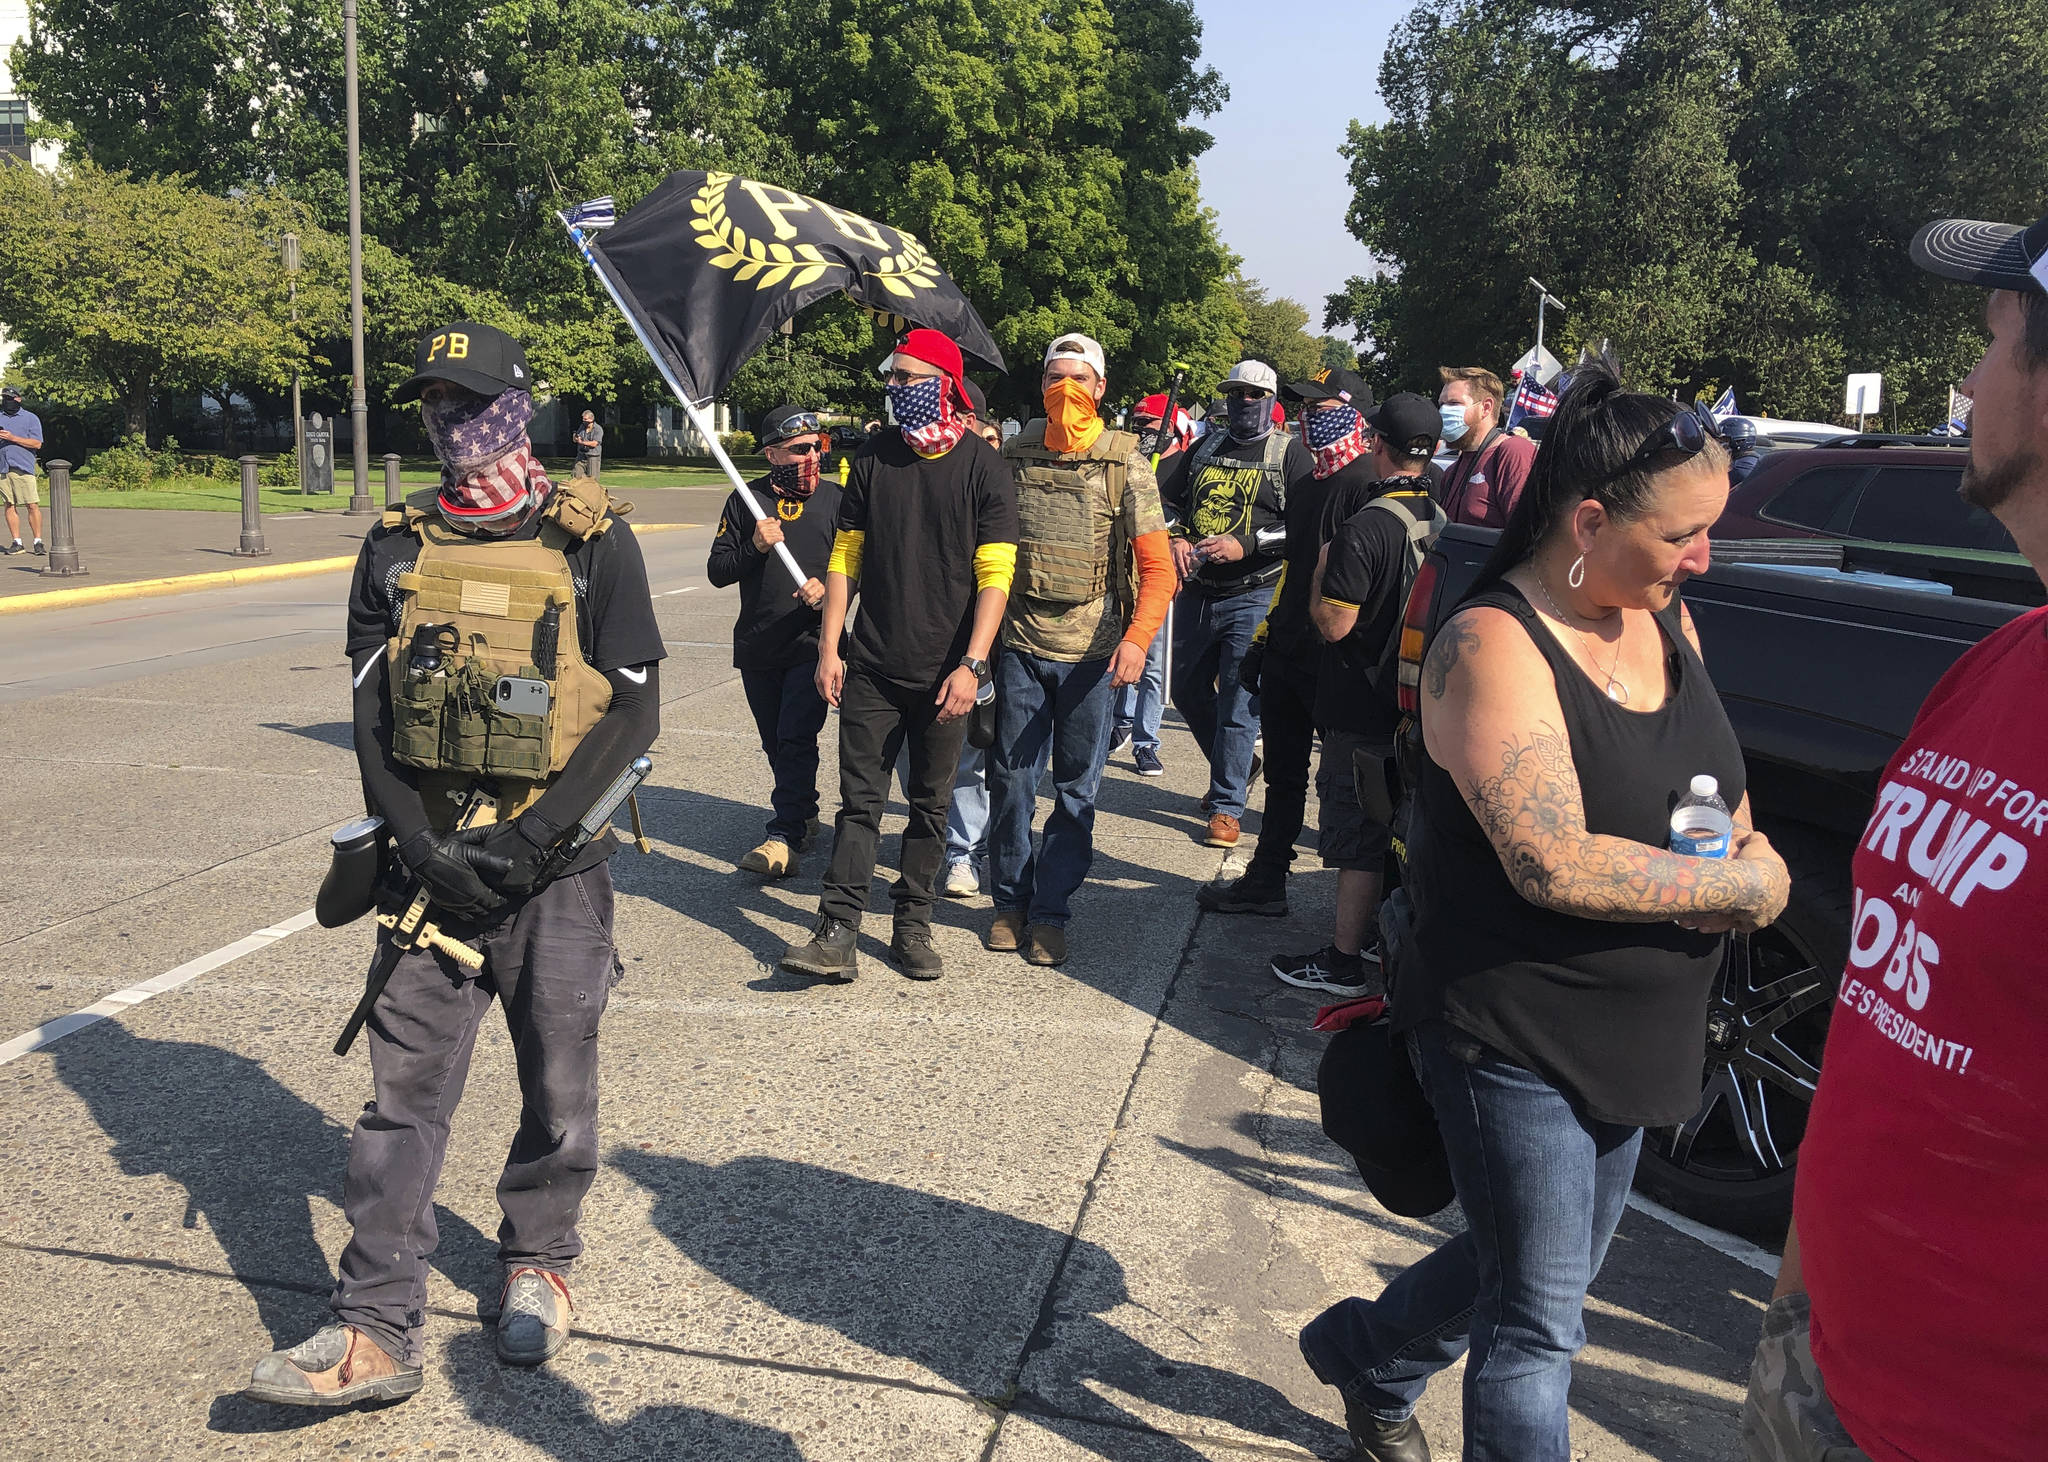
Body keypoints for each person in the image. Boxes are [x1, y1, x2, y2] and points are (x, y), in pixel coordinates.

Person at [1299, 362, 1791, 1462]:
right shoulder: (1492, 642)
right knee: (1538, 1322)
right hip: (1510, 1026)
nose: (1700, 557)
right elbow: (1548, 861)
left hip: (1644, 1022)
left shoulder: (1663, 617)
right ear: (1586, 519)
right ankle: (1378, 1363)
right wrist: (1740, 888)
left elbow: (1705, 785)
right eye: (1680, 536)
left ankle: (1369, 1347)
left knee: (1531, 1261)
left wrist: (1733, 849)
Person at [248, 320, 664, 1407]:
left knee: (557, 1085)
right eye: (434, 402)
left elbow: (632, 712)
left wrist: (531, 843)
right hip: (425, 872)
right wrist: (417, 843)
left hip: (556, 868)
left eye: (473, 401)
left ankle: (538, 1260)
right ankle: (374, 1322)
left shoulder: (589, 540)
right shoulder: (393, 545)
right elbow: (370, 712)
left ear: (519, 405)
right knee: (401, 1098)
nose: (453, 424)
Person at [1740, 208, 2048, 1462]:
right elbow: (1885, 1009)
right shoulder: (1997, 664)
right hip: (1823, 1374)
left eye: (1988, 341)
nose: (1964, 382)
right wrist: (1794, 1302)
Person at [779, 329, 1017, 983]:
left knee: (929, 806)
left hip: (947, 675)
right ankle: (837, 930)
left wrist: (972, 665)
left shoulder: (984, 469)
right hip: (874, 666)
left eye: (907, 378)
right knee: (858, 803)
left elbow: (995, 574)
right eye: (893, 377)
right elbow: (845, 555)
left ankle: (913, 925)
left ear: (942, 382)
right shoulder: (875, 456)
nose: (894, 388)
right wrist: (830, 646)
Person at [985, 332, 1174, 965]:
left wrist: (1138, 641)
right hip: (1020, 643)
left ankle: (1051, 911)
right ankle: (1008, 902)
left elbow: (1158, 568)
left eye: (1076, 379)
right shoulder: (1015, 454)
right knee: (1010, 781)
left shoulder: (1125, 462)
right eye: (1052, 378)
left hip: (1094, 654)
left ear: (1099, 388)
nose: (1063, 391)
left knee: (1076, 790)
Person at [1262, 392, 1447, 994]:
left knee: (1358, 840)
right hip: (1413, 703)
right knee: (1395, 830)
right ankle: (1375, 939)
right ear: (1434, 449)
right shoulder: (1440, 520)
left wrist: (1321, 569)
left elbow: (1334, 623)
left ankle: (1342, 959)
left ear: (1377, 446)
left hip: (1360, 701)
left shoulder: (1366, 526)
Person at [1200, 368, 1374, 916]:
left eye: (1321, 408)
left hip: (1339, 656)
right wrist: (1265, 639)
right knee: (1283, 773)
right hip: (1288, 649)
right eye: (1305, 407)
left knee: (1345, 786)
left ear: (1353, 414)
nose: (1309, 416)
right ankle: (1268, 877)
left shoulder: (1367, 483)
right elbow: (1294, 570)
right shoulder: (1307, 482)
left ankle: (1355, 912)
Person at [1159, 361, 1313, 847]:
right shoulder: (1204, 446)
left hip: (1256, 592)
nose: (1242, 402)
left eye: (1252, 394)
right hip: (1199, 590)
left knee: (1238, 704)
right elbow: (1166, 501)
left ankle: (1226, 806)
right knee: (1184, 690)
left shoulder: (1290, 455)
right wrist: (1179, 537)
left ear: (1270, 399)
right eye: (1234, 393)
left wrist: (1248, 543)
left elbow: (1305, 523)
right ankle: (1240, 765)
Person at [707, 403, 836, 879]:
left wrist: (830, 589)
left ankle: (784, 834)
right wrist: (756, 546)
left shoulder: (838, 500)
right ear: (773, 455)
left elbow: (864, 568)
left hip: (812, 643)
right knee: (775, 743)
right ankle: (803, 810)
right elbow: (718, 571)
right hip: (760, 644)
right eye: (799, 449)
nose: (811, 456)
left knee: (796, 735)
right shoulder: (746, 500)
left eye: (817, 447)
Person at [1112, 390, 1194, 775]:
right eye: (1138, 422)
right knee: (1120, 655)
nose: (1141, 430)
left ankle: (1147, 741)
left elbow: (1191, 517)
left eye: (1148, 423)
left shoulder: (1187, 466)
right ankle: (1121, 722)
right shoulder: (1129, 461)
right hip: (1122, 575)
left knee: (1153, 666)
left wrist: (1174, 529)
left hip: (1159, 577)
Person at [1436, 366, 1538, 528]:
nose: (1444, 411)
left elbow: (1526, 536)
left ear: (1486, 407)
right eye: (1442, 404)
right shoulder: (1451, 472)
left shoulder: (1513, 452)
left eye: (1454, 403)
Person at [0, 385, 46, 556]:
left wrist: (12, 438)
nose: (7, 402)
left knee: (32, 504)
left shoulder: (30, 418)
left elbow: (37, 443)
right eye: (4, 399)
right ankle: (17, 542)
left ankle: (38, 541)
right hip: (3, 467)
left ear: (18, 399)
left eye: (10, 399)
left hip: (23, 467)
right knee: (9, 504)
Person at [1722, 416, 1765, 484]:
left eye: (1725, 439)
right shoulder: (1758, 461)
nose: (1722, 443)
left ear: (1739, 441)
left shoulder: (1740, 468)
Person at [572, 409, 603, 480]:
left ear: (591, 419)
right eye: (583, 419)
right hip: (581, 456)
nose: (584, 421)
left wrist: (582, 442)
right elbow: (577, 438)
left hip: (593, 457)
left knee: (592, 479)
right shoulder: (582, 427)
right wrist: (575, 438)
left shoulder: (598, 429)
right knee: (576, 476)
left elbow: (595, 443)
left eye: (585, 419)